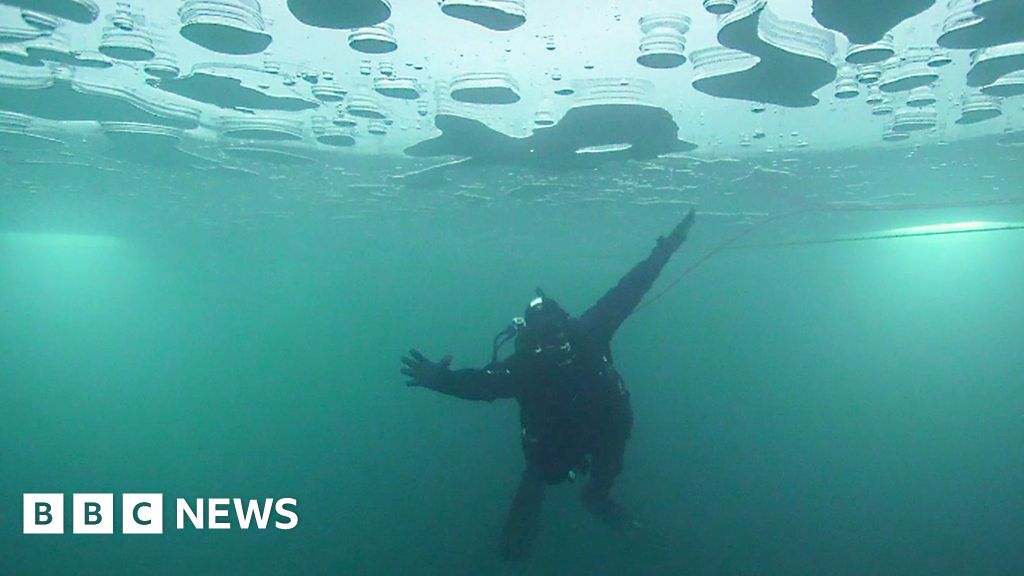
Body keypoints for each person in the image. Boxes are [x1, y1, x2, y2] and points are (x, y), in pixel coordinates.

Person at [401, 208, 696, 560]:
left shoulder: (584, 336)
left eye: (553, 331)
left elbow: (633, 285)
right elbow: (482, 384)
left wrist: (669, 244)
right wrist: (442, 380)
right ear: (529, 337)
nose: (550, 342)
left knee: (591, 476)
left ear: (565, 326)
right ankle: (533, 518)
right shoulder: (531, 364)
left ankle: (594, 501)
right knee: (544, 471)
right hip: (566, 440)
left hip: (603, 430)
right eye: (540, 334)